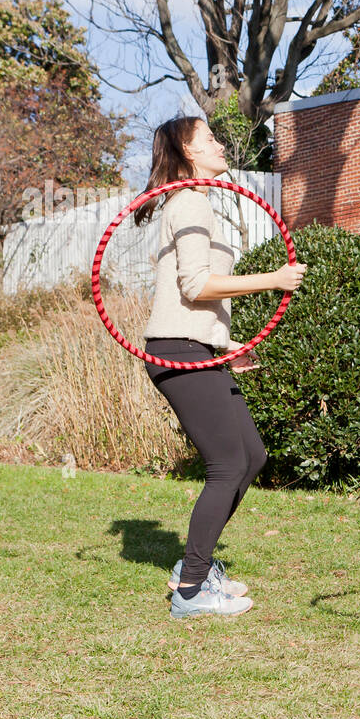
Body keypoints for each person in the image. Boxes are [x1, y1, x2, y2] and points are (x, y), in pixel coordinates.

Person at [135, 116, 307, 620]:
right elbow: (196, 286)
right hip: (179, 352)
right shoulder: (189, 202)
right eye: (209, 138)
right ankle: (190, 590)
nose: (220, 144)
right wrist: (274, 279)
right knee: (227, 466)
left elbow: (188, 299)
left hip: (198, 347)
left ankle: (195, 566)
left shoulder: (197, 202)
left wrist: (225, 344)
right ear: (188, 151)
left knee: (251, 457)